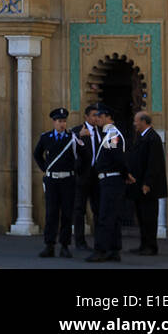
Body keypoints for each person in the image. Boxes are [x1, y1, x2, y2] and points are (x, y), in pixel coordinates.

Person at [33, 107, 87, 258]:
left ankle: (64, 245)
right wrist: (45, 168)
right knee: (51, 213)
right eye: (59, 121)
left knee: (66, 213)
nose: (62, 124)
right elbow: (37, 154)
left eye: (64, 121)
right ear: (53, 122)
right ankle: (49, 245)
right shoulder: (46, 137)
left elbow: (84, 156)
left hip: (68, 180)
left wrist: (77, 170)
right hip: (52, 180)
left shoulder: (72, 138)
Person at [86, 103, 127, 262]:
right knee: (112, 216)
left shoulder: (112, 134)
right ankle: (113, 249)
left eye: (101, 116)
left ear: (108, 117)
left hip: (111, 180)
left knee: (104, 217)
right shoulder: (107, 133)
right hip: (109, 179)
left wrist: (125, 174)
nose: (98, 119)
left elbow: (118, 158)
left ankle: (101, 250)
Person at [126, 111, 168, 255]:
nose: (134, 124)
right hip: (139, 186)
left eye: (136, 121)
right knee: (142, 217)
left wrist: (147, 183)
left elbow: (154, 164)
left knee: (149, 218)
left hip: (148, 188)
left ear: (144, 122)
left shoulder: (153, 138)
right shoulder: (142, 137)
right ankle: (143, 245)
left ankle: (151, 246)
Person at [73, 103, 101, 250]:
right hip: (82, 175)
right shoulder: (78, 131)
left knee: (98, 208)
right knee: (79, 209)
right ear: (86, 117)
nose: (96, 118)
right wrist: (78, 136)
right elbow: (68, 146)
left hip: (96, 176)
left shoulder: (101, 132)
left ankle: (99, 241)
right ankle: (80, 241)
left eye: (98, 115)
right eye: (94, 115)